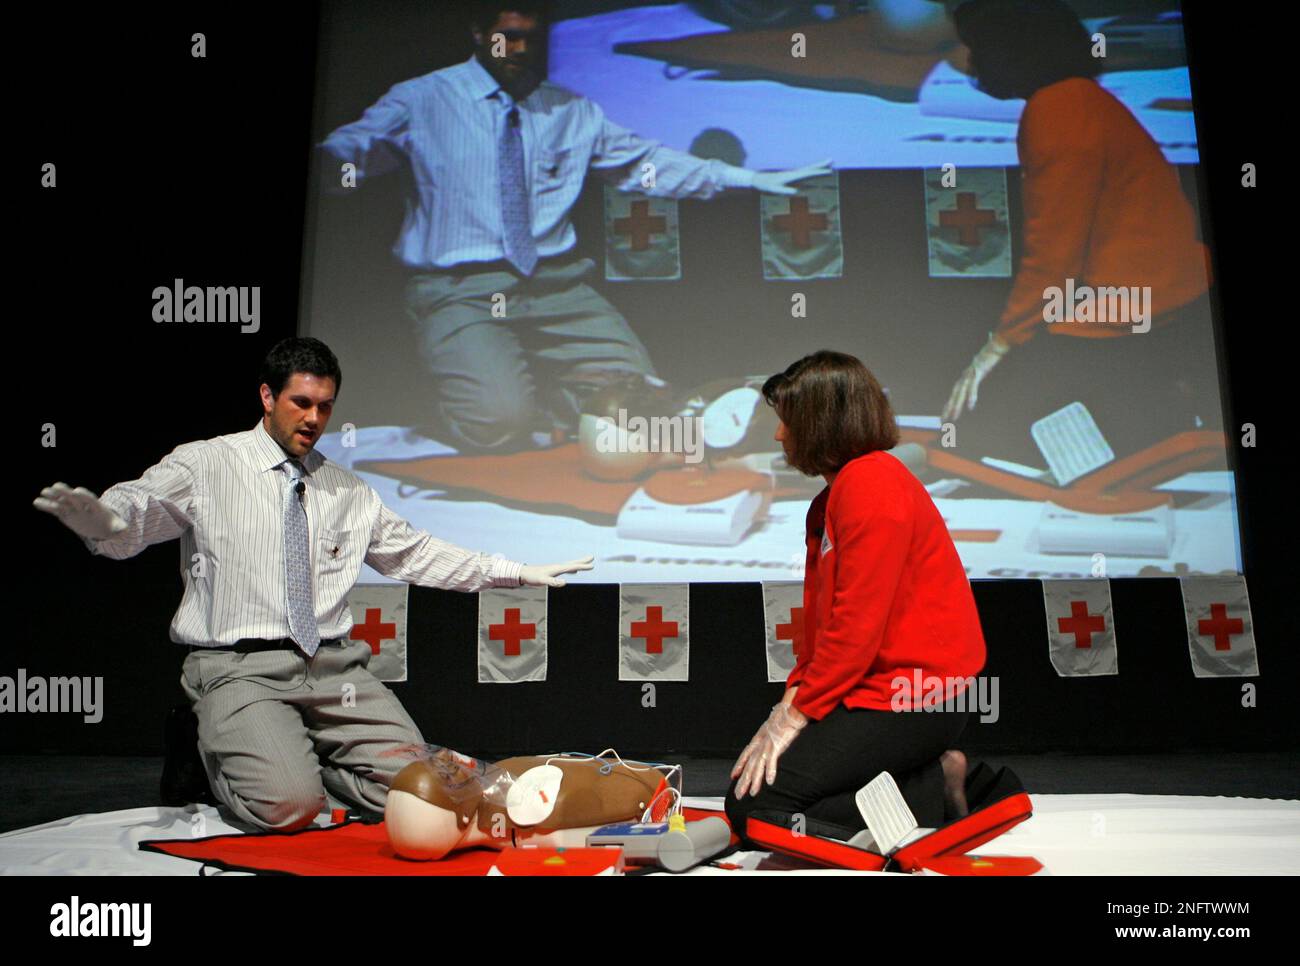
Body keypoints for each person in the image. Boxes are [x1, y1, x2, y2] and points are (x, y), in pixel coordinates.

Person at [33, 337, 592, 833]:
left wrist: (514, 571)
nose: (314, 418)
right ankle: (217, 759)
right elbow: (138, 510)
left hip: (333, 670)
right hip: (239, 668)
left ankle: (306, 761)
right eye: (301, 402)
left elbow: (415, 554)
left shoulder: (346, 490)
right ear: (267, 397)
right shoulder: (206, 465)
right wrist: (107, 522)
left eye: (325, 407)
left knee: (440, 791)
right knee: (289, 808)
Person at [319, 0, 830, 454]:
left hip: (557, 286)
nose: (519, 48)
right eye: (507, 35)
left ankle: (552, 400)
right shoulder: (422, 99)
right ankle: (497, 397)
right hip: (460, 289)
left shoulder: (570, 111)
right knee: (498, 423)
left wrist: (748, 179)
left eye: (532, 38)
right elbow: (353, 150)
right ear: (479, 33)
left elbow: (647, 162)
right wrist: (335, 163)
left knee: (635, 406)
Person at [940, 0, 1221, 466]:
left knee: (978, 433)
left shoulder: (1057, 108)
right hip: (1151, 302)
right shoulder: (1082, 98)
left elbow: (1054, 254)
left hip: (1120, 311)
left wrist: (997, 347)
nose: (970, 61)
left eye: (976, 46)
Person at [725, 350, 986, 842]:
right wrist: (789, 703)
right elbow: (825, 628)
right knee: (752, 793)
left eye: (787, 422)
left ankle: (932, 783)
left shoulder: (872, 484)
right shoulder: (833, 497)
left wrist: (795, 717)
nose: (779, 435)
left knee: (755, 811)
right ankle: (930, 776)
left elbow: (856, 628)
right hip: (877, 689)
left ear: (820, 424)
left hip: (915, 696)